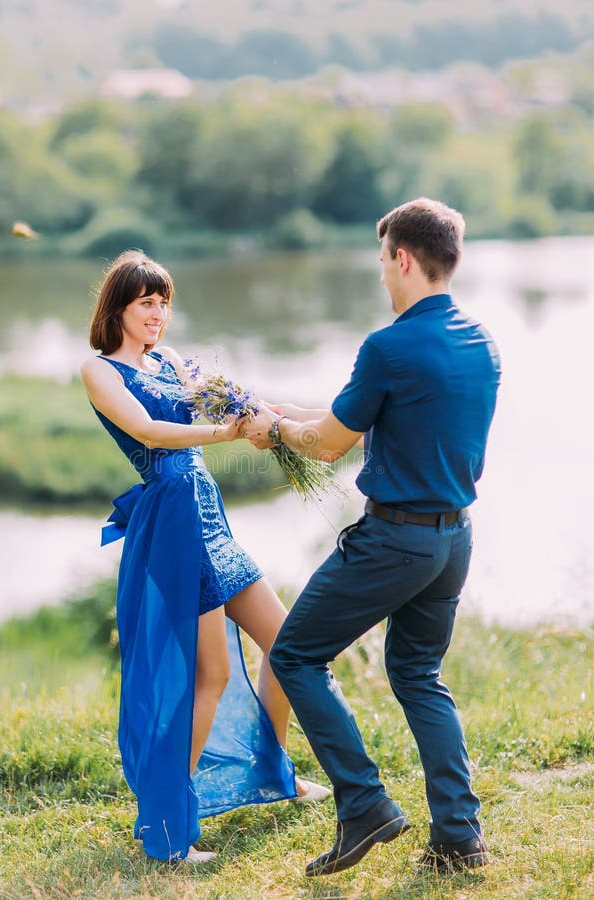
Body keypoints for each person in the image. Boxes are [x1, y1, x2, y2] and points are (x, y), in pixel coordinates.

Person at [243, 197, 501, 877]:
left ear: (404, 258)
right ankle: (458, 835)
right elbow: (359, 421)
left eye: (382, 262)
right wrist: (280, 414)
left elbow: (327, 446)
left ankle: (363, 804)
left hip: (394, 541)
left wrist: (271, 433)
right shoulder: (480, 340)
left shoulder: (388, 345)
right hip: (451, 542)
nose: (381, 277)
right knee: (417, 673)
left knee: (295, 654)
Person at [80, 250, 330, 865]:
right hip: (172, 522)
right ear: (118, 307)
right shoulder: (100, 371)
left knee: (290, 643)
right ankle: (165, 828)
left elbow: (241, 398)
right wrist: (228, 433)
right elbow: (149, 432)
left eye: (164, 302)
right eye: (146, 303)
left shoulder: (169, 360)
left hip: (209, 514)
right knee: (211, 675)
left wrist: (309, 417)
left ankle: (269, 773)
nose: (159, 314)